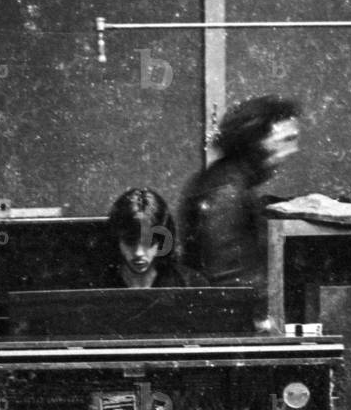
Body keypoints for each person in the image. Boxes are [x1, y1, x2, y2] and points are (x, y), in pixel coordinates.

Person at [178, 95, 300, 291]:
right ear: (258, 141)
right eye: (287, 139)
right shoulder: (227, 192)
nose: (293, 150)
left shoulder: (227, 180)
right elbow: (228, 281)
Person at [98, 187, 207, 288]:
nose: (139, 253)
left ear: (161, 240)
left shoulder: (191, 284)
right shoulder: (99, 284)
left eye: (149, 242)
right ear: (117, 240)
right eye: (130, 241)